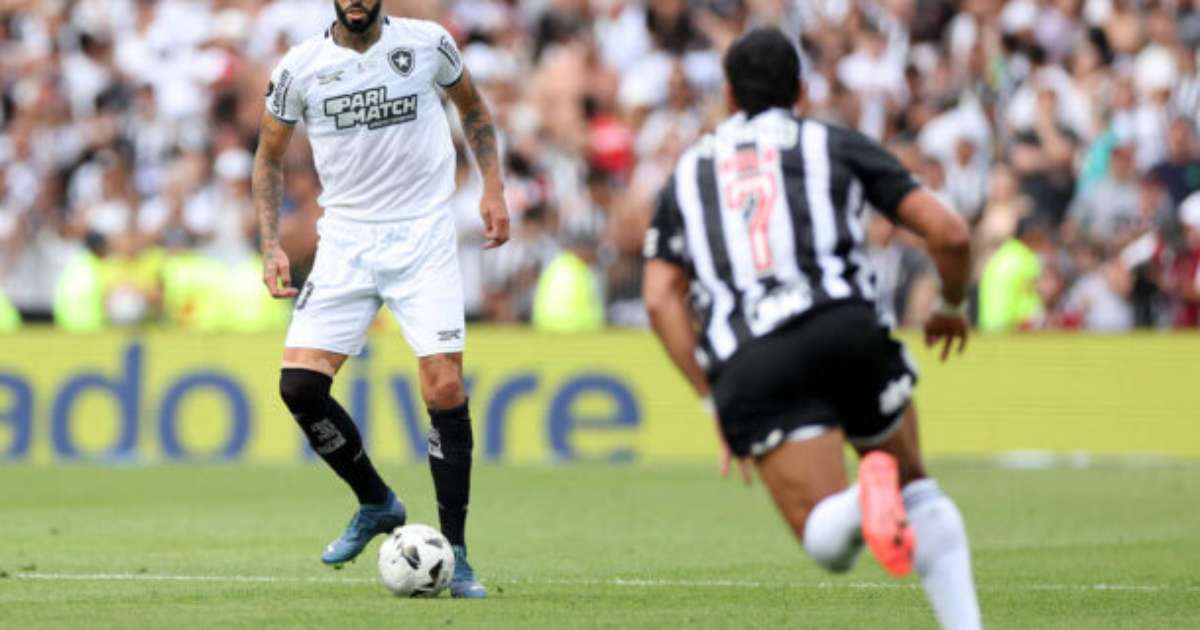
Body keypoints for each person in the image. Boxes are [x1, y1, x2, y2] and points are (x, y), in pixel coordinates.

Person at [642, 29, 981, 629]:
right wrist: (951, 304)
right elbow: (951, 232)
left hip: (752, 354)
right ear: (801, 89)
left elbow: (659, 298)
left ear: (726, 94)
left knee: (826, 541)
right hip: (845, 326)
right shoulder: (834, 144)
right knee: (919, 491)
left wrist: (710, 395)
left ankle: (861, 500)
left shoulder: (689, 173)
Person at [252, 0, 509, 598]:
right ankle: (376, 501)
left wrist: (493, 186)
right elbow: (268, 154)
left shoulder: (427, 44)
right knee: (299, 387)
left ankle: (459, 554)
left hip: (424, 235)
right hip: (345, 241)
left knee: (444, 387)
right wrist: (270, 243)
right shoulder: (300, 68)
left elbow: (472, 108)